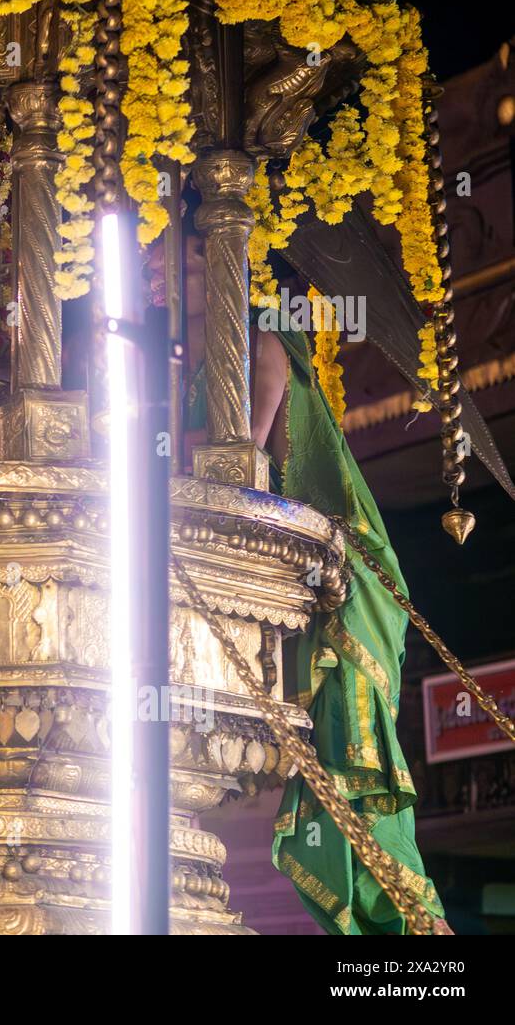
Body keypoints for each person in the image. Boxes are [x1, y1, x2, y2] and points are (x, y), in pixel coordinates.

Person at [149, 234, 449, 934]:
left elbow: (235, 468)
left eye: (179, 258)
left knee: (352, 763)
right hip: (286, 574)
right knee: (321, 776)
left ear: (222, 263)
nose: (158, 274)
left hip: (346, 576)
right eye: (149, 263)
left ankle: (423, 931)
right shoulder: (180, 366)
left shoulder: (262, 342)